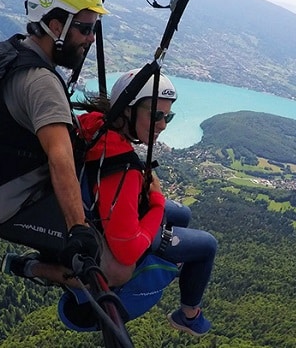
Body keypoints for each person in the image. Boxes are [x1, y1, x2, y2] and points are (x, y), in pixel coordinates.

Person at [75, 69, 218, 336]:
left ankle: (173, 256)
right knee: (208, 245)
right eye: (156, 116)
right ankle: (188, 314)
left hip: (94, 202)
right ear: (127, 111)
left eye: (168, 117)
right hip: (111, 232)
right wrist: (155, 203)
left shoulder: (96, 125)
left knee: (182, 213)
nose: (163, 124)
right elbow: (127, 252)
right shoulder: (124, 169)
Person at [0, 0, 107, 273]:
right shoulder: (41, 83)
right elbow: (59, 158)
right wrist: (77, 229)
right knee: (109, 258)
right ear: (56, 27)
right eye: (85, 28)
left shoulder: (12, 51)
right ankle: (28, 267)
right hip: (10, 203)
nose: (91, 39)